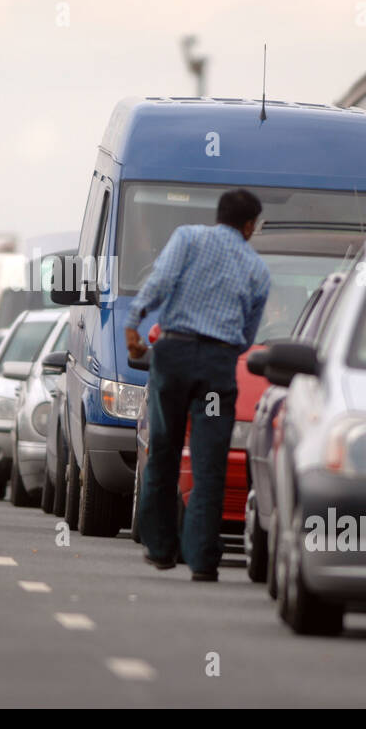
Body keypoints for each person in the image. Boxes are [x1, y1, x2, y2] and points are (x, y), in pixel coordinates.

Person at [127, 189, 271, 581]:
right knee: (209, 461)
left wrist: (134, 319)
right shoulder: (258, 270)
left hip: (172, 360)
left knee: (165, 449)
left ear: (218, 215)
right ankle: (203, 559)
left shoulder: (188, 238)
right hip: (214, 374)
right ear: (248, 226)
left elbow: (160, 282)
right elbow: (246, 334)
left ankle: (160, 547)